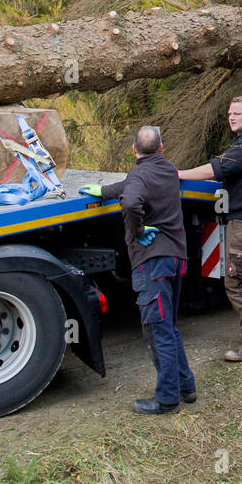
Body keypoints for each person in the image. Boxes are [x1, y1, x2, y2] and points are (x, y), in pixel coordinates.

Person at [81, 125, 195, 415]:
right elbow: (133, 184)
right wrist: (105, 191)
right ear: (161, 147)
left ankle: (167, 399)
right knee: (168, 326)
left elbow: (131, 200)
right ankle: (186, 386)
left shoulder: (138, 175)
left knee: (158, 332)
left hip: (153, 261)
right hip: (175, 258)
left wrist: (138, 229)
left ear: (134, 150)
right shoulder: (168, 169)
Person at [178, 95, 242, 361]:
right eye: (229, 114)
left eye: (237, 114)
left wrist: (180, 174)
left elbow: (215, 169)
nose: (231, 118)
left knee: (236, 280)